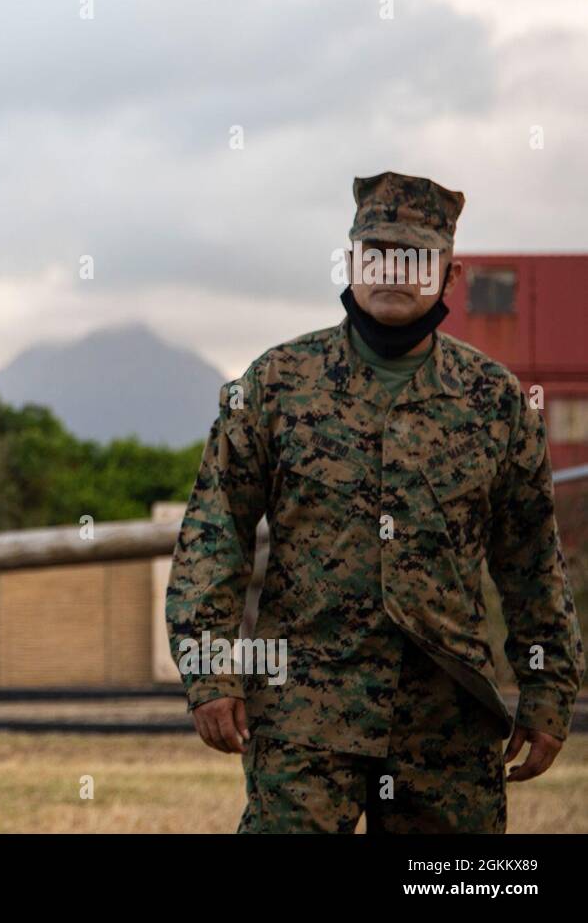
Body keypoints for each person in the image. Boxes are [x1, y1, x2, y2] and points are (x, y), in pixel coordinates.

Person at [165, 170, 584, 833]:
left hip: (446, 724)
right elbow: (215, 534)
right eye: (377, 253)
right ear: (353, 261)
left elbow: (530, 558)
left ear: (450, 275)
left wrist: (550, 687)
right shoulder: (277, 386)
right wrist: (209, 671)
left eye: (416, 256)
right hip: (306, 716)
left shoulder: (494, 401)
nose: (394, 270)